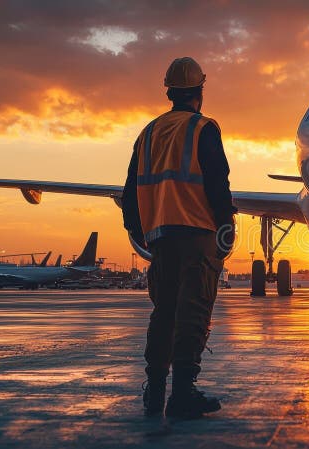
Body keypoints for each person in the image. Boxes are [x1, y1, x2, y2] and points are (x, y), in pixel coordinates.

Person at [122, 57, 236, 418]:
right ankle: (183, 393)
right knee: (193, 312)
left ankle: (154, 391)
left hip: (160, 237)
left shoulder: (148, 133)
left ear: (169, 91)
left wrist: (142, 233)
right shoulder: (203, 128)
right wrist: (225, 227)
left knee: (164, 313)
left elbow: (129, 195)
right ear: (200, 91)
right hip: (198, 234)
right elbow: (218, 184)